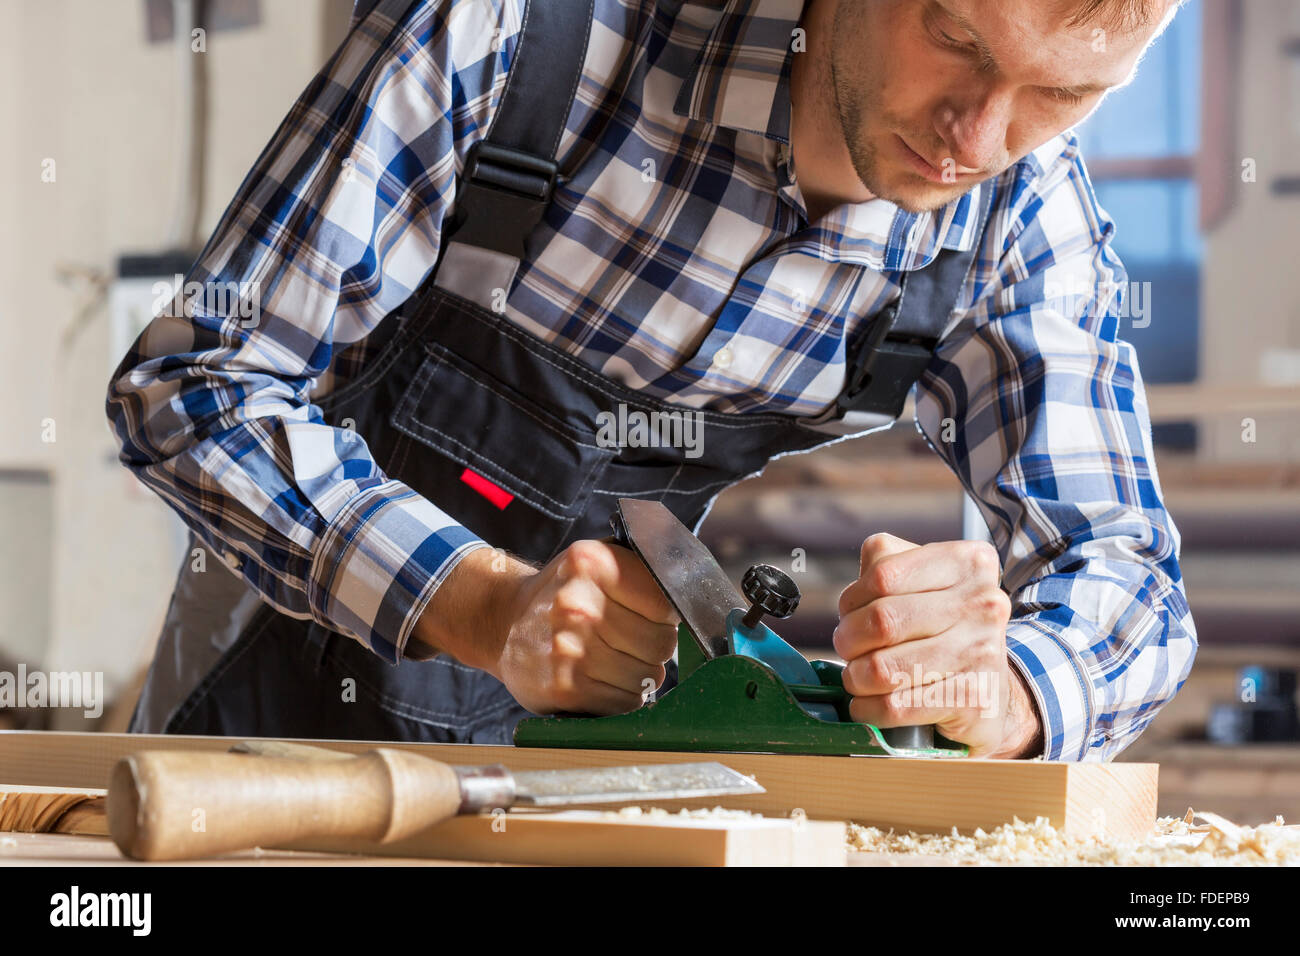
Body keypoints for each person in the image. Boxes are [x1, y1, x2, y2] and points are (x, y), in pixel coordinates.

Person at [107, 0, 1196, 760]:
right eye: (952, 34)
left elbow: (1127, 573)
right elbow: (197, 382)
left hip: (582, 773)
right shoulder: (519, 29)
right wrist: (484, 602)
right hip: (275, 722)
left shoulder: (1020, 215)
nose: (977, 136)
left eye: (1059, 91)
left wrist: (1003, 689)